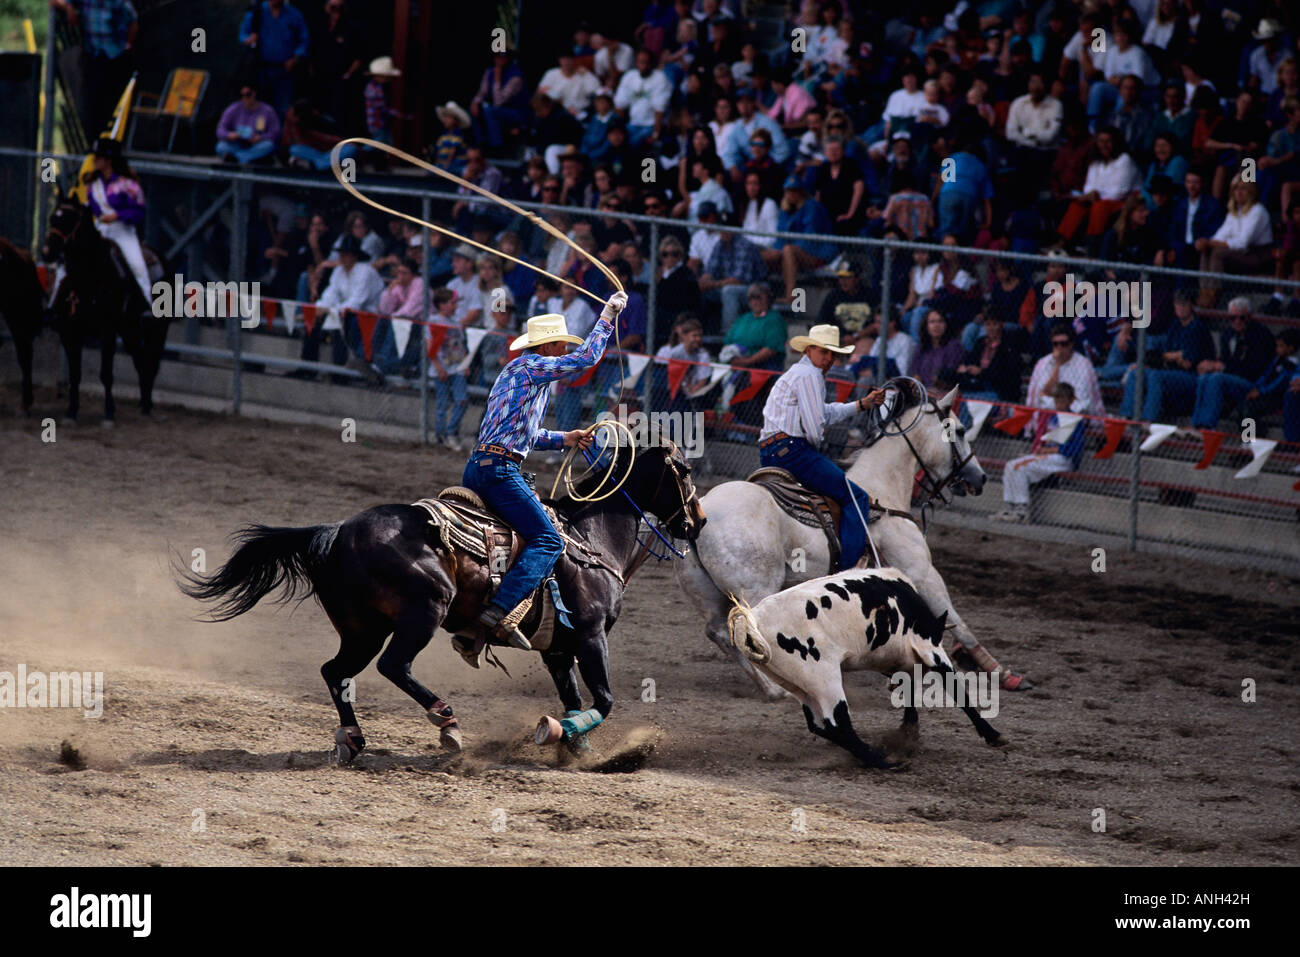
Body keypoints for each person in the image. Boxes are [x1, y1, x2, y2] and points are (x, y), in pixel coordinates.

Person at [462, 292, 628, 651]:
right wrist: (608, 315)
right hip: (500, 471)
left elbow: (523, 433)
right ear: (549, 346)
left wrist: (563, 438)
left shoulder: (518, 373)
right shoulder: (533, 366)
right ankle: (498, 611)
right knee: (549, 539)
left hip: (479, 466)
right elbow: (586, 358)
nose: (563, 352)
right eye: (561, 345)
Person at [757, 324, 889, 570]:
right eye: (824, 352)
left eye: (833, 354)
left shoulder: (796, 373)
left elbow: (824, 412)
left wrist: (861, 404)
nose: (829, 359)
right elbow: (815, 425)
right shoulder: (811, 376)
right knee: (856, 496)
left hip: (770, 452)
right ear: (809, 350)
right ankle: (850, 568)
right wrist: (819, 448)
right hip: (793, 452)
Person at [991, 382, 1087, 523]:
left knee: (1020, 468)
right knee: (1010, 465)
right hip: (1048, 456)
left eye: (1063, 401)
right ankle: (1009, 506)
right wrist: (1042, 449)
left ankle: (1022, 510)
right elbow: (1047, 440)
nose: (1059, 404)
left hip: (1063, 459)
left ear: (1072, 400)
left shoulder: (1075, 420)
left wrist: (1050, 450)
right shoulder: (1053, 417)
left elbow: (1075, 448)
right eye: (1057, 401)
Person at [84, 137, 149, 302]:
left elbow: (139, 210)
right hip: (99, 229)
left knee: (138, 267)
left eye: (98, 157)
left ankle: (148, 303)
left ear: (108, 160)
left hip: (122, 231)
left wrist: (118, 215)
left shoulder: (128, 185)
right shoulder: (92, 185)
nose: (94, 160)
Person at [238, 0, 309, 119]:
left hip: (284, 69)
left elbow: (304, 40)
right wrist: (249, 39)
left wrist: (295, 58)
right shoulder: (257, 12)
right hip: (261, 68)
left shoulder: (294, 14)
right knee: (261, 106)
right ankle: (262, 136)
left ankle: (281, 135)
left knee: (283, 107)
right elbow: (242, 35)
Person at [215, 83, 280, 165]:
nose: (244, 98)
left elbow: (276, 133)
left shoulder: (267, 111)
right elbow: (220, 130)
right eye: (242, 95)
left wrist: (260, 137)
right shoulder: (233, 109)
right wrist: (230, 135)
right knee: (221, 146)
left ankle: (239, 159)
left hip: (256, 145)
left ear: (254, 93)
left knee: (268, 145)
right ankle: (249, 159)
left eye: (248, 94)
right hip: (238, 144)